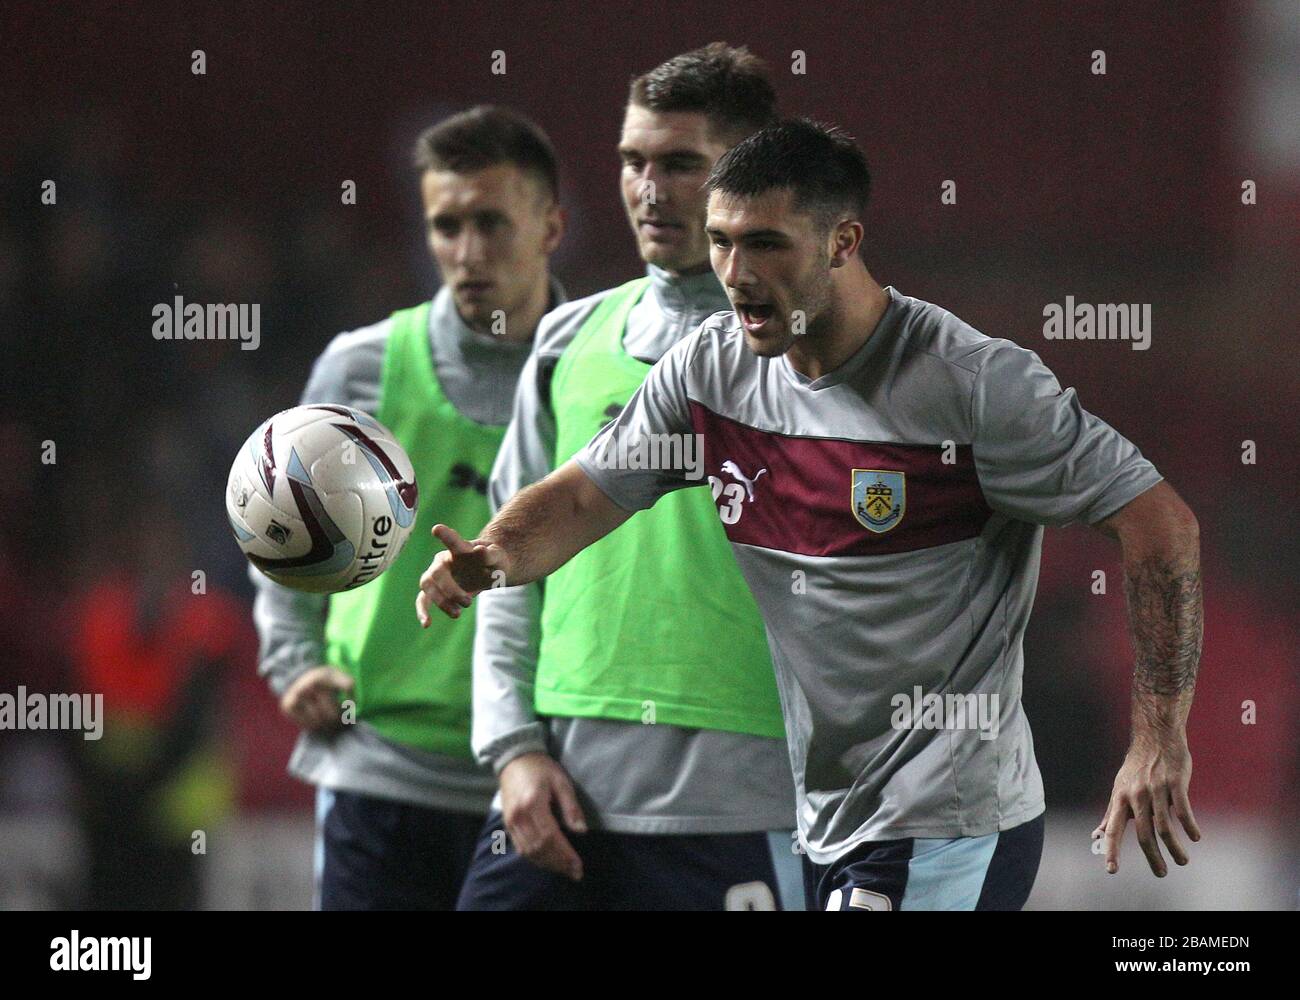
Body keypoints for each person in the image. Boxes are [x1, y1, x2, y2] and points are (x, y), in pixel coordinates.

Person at [417, 119, 1204, 911]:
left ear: (842, 242)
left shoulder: (973, 387)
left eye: (766, 244)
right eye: (721, 242)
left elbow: (1160, 522)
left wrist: (1158, 736)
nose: (736, 272)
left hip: (945, 821)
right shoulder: (710, 371)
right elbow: (588, 492)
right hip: (826, 819)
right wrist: (494, 556)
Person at [455, 44, 802, 911]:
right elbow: (500, 566)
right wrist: (513, 752)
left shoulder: (819, 357)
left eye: (680, 164)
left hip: (744, 799)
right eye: (632, 161)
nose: (649, 189)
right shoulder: (567, 342)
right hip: (558, 797)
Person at [252, 106, 565, 909]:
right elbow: (285, 529)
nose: (465, 253)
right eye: (445, 225)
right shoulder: (360, 370)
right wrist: (293, 662)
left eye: (491, 222)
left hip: (540, 779)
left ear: (551, 225)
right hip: (376, 769)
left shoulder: (595, 367)